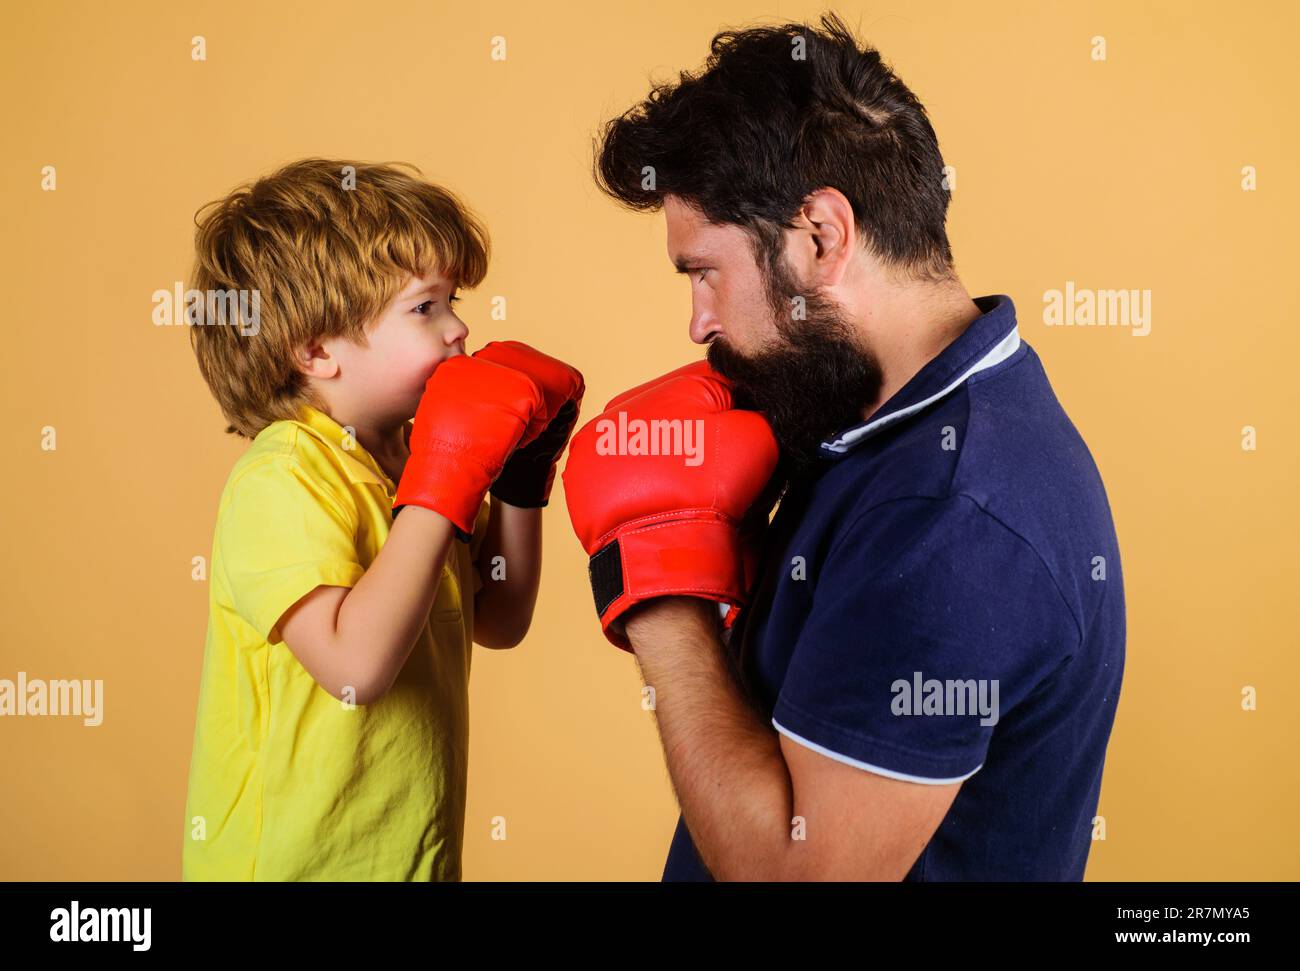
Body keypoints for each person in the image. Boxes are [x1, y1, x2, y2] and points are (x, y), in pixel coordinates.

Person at [562, 14, 1125, 880]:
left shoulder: (947, 514)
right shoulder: (883, 423)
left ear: (822, 236)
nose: (699, 322)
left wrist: (658, 591)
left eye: (704, 270)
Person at [182, 158, 583, 880]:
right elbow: (354, 668)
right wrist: (444, 481)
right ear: (314, 349)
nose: (460, 327)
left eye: (453, 299)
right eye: (424, 307)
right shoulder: (282, 476)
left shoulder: (409, 454)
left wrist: (523, 474)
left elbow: (498, 614)